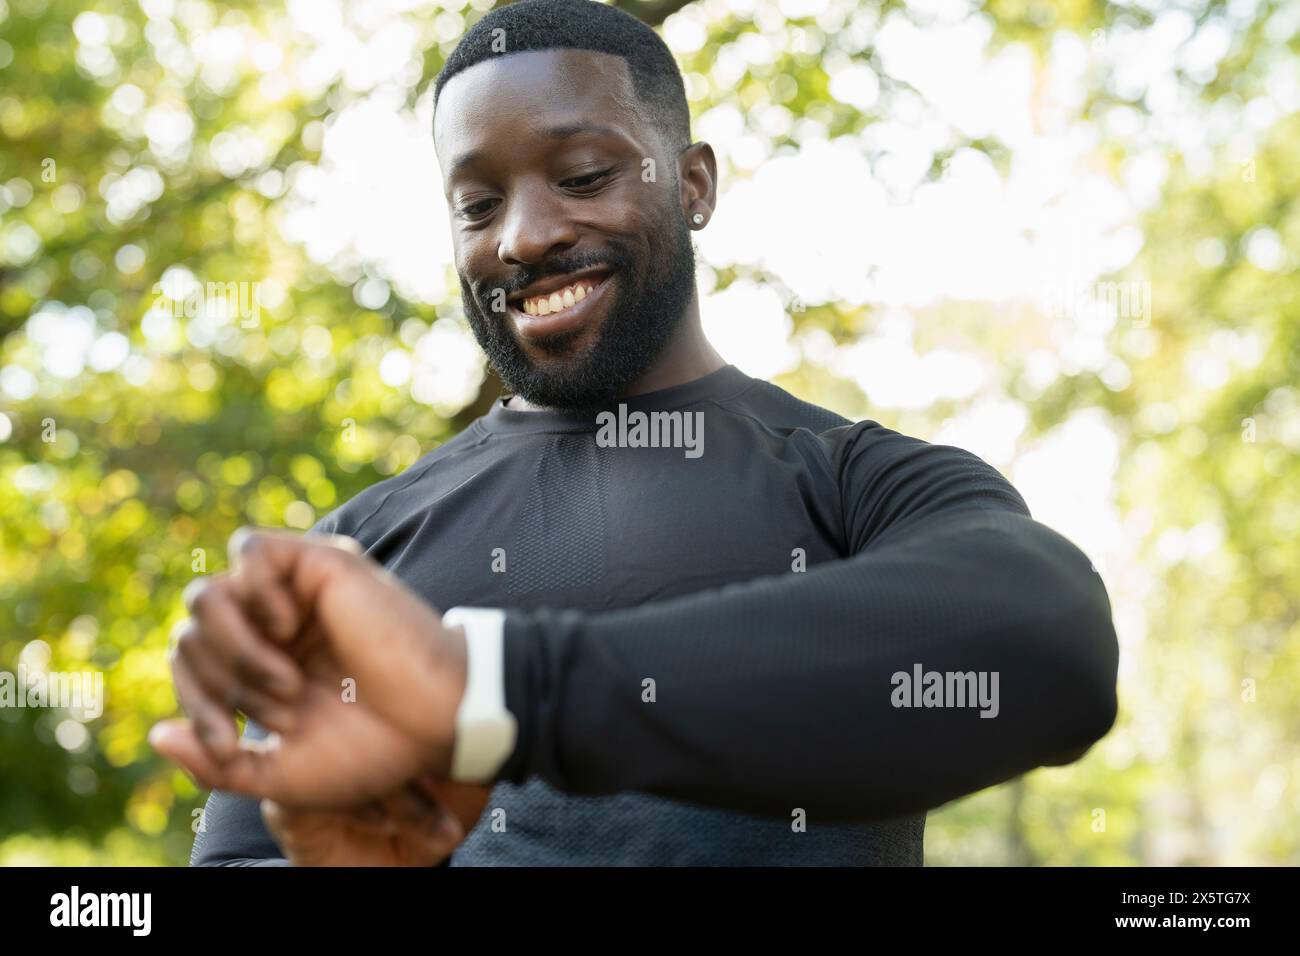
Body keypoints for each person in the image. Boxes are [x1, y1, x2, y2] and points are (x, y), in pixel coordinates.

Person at [150, 0, 1118, 866]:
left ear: (692, 184)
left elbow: (1049, 641)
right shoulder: (354, 551)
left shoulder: (856, 481)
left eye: (579, 173)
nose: (523, 236)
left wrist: (484, 692)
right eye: (477, 204)